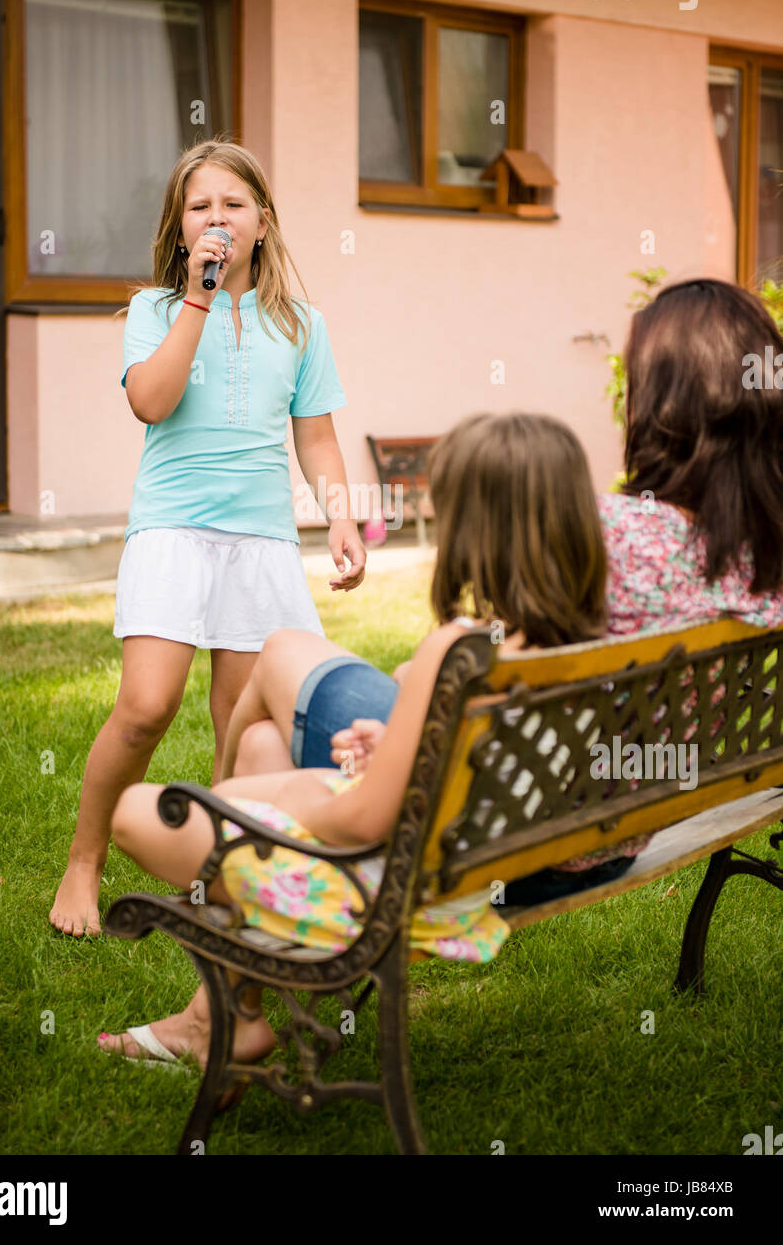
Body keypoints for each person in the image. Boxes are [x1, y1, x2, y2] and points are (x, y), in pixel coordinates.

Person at [223, 276, 783, 896]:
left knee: (279, 656)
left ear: (662, 404)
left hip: (495, 831)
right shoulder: (769, 558)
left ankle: (210, 859)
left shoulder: (613, 534)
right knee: (265, 746)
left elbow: (485, 679)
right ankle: (250, 947)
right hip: (611, 831)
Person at [99, 411, 609, 1068]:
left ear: (471, 532)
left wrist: (278, 800)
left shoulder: (459, 651)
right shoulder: (585, 648)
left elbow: (364, 815)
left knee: (140, 811)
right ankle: (221, 1020)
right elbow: (474, 767)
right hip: (465, 878)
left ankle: (219, 1016)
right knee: (259, 745)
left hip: (393, 896)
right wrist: (397, 747)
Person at [50, 139, 366, 937]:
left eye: (233, 204)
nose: (217, 218)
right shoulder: (155, 310)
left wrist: (338, 510)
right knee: (144, 706)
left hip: (260, 542)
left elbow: (317, 439)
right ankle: (83, 862)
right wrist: (196, 299)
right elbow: (150, 403)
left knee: (242, 726)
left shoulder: (300, 323)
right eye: (200, 207)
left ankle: (222, 877)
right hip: (172, 529)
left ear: (263, 222)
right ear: (180, 230)